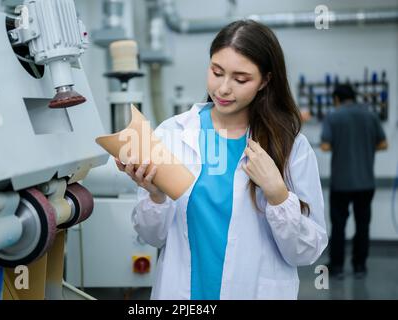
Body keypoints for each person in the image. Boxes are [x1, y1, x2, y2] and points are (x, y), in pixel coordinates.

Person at [116, 20, 328, 299]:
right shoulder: (172, 134)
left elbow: (307, 251)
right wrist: (155, 196)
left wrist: (278, 194)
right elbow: (152, 237)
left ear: (265, 80)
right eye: (216, 72)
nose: (224, 88)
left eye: (241, 79)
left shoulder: (290, 147)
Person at [321, 84, 388, 279]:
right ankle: (359, 266)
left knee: (339, 225)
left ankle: (337, 267)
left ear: (336, 99)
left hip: (341, 183)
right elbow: (383, 144)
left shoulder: (333, 117)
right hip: (366, 183)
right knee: (363, 224)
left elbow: (325, 146)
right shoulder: (370, 116)